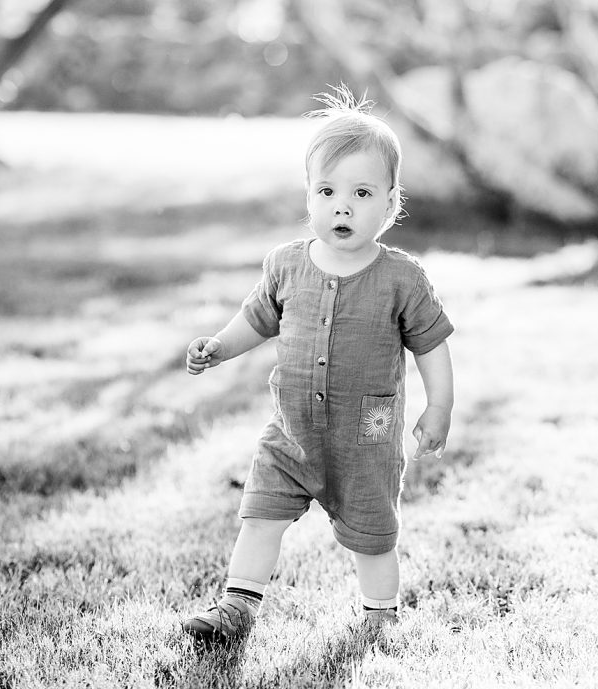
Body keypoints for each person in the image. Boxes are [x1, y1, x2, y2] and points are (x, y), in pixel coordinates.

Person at [181, 86, 455, 644]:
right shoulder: (286, 264)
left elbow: (430, 344)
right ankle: (237, 606)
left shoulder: (402, 278)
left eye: (361, 192)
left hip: (366, 439)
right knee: (260, 516)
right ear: (309, 195)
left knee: (373, 536)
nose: (342, 206)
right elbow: (257, 319)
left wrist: (440, 405)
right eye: (327, 190)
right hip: (292, 433)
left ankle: (380, 617)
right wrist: (219, 347)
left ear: (390, 201)